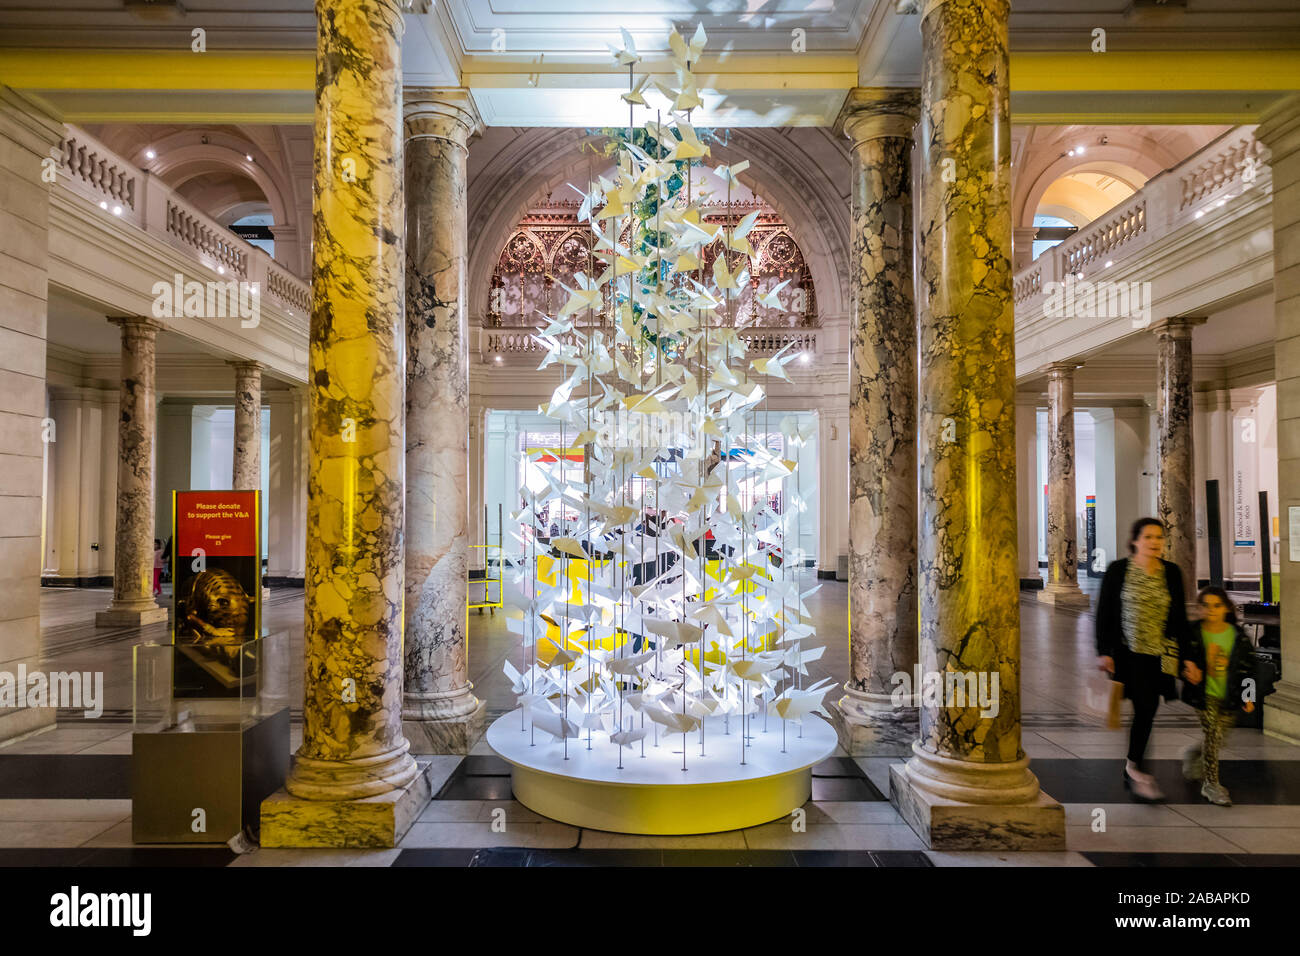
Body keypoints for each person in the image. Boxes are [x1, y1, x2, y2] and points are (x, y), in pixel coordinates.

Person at [1095, 517, 1194, 802]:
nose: (1154, 542)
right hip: (1127, 654)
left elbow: (1179, 619)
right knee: (1142, 706)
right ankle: (1136, 766)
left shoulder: (1171, 573)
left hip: (1160, 655)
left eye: (1159, 537)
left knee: (1147, 708)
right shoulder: (1118, 570)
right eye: (1148, 537)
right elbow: (1104, 613)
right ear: (1135, 540)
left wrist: (1187, 657)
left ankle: (1135, 766)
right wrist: (1103, 651)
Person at [1180, 587, 1257, 806]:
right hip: (1204, 695)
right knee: (1213, 734)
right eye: (1206, 606)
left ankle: (1193, 753)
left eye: (1217, 606)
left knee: (1218, 738)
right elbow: (1179, 659)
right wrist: (1186, 671)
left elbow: (1248, 669)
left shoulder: (1237, 636)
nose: (1211, 611)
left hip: (1230, 695)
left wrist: (1248, 696)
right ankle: (1212, 784)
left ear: (1226, 608)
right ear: (1199, 609)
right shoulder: (1193, 633)